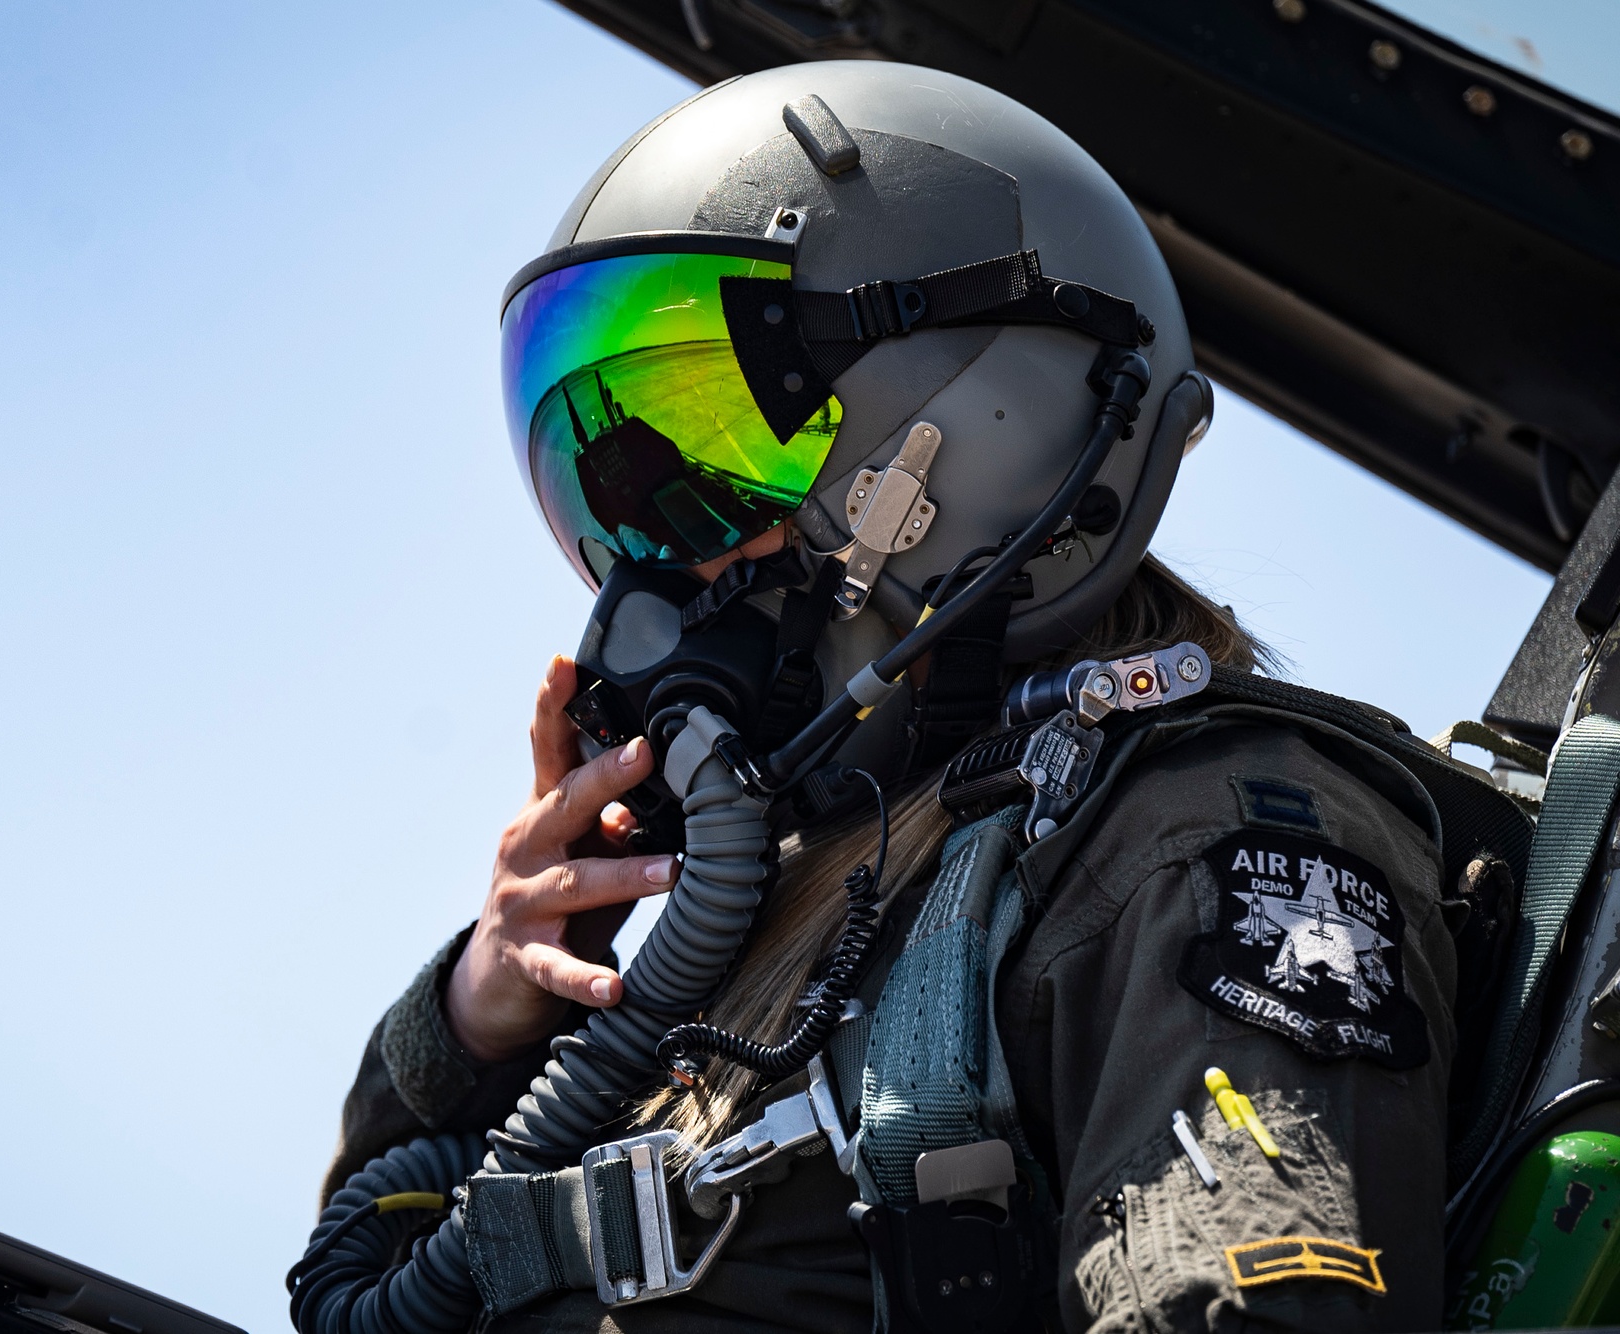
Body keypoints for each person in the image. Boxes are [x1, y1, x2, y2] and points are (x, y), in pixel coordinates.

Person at [308, 60, 1512, 1334]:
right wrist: (483, 1009)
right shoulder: (790, 888)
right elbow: (371, 1269)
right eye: (622, 498)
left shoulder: (1206, 844)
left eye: (720, 459)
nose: (660, 562)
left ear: (979, 438)